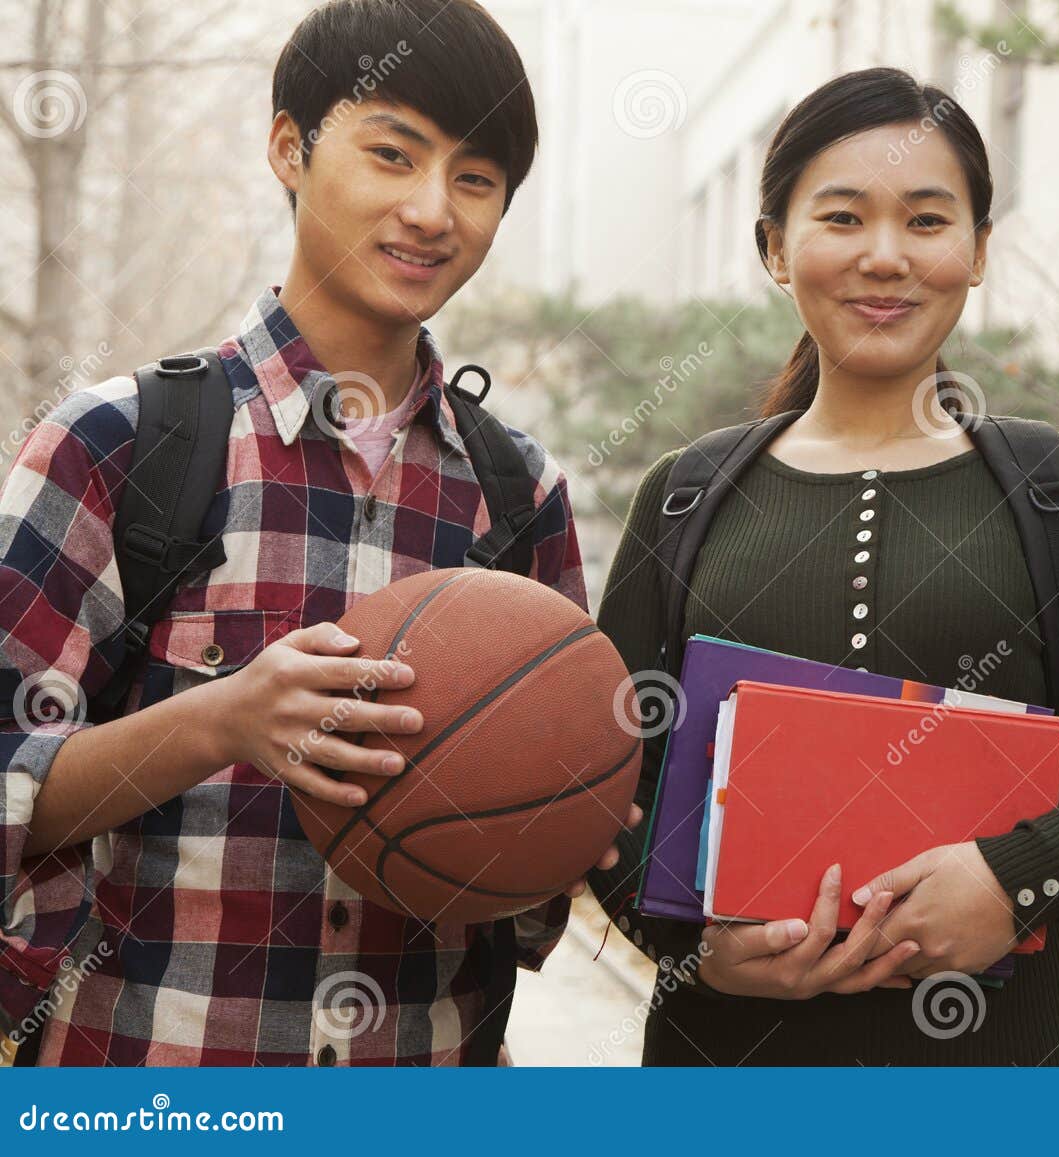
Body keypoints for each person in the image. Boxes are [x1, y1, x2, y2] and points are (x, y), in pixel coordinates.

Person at [0, 0, 635, 1066]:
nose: (432, 210)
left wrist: (566, 809)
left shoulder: (515, 490)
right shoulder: (122, 443)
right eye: (393, 154)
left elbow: (531, 886)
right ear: (289, 147)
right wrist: (220, 722)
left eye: (475, 180)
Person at [588, 67, 1059, 1065]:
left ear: (980, 249)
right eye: (843, 217)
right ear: (775, 246)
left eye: (929, 220)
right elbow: (594, 788)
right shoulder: (683, 498)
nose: (886, 256)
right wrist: (694, 946)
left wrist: (1014, 879)